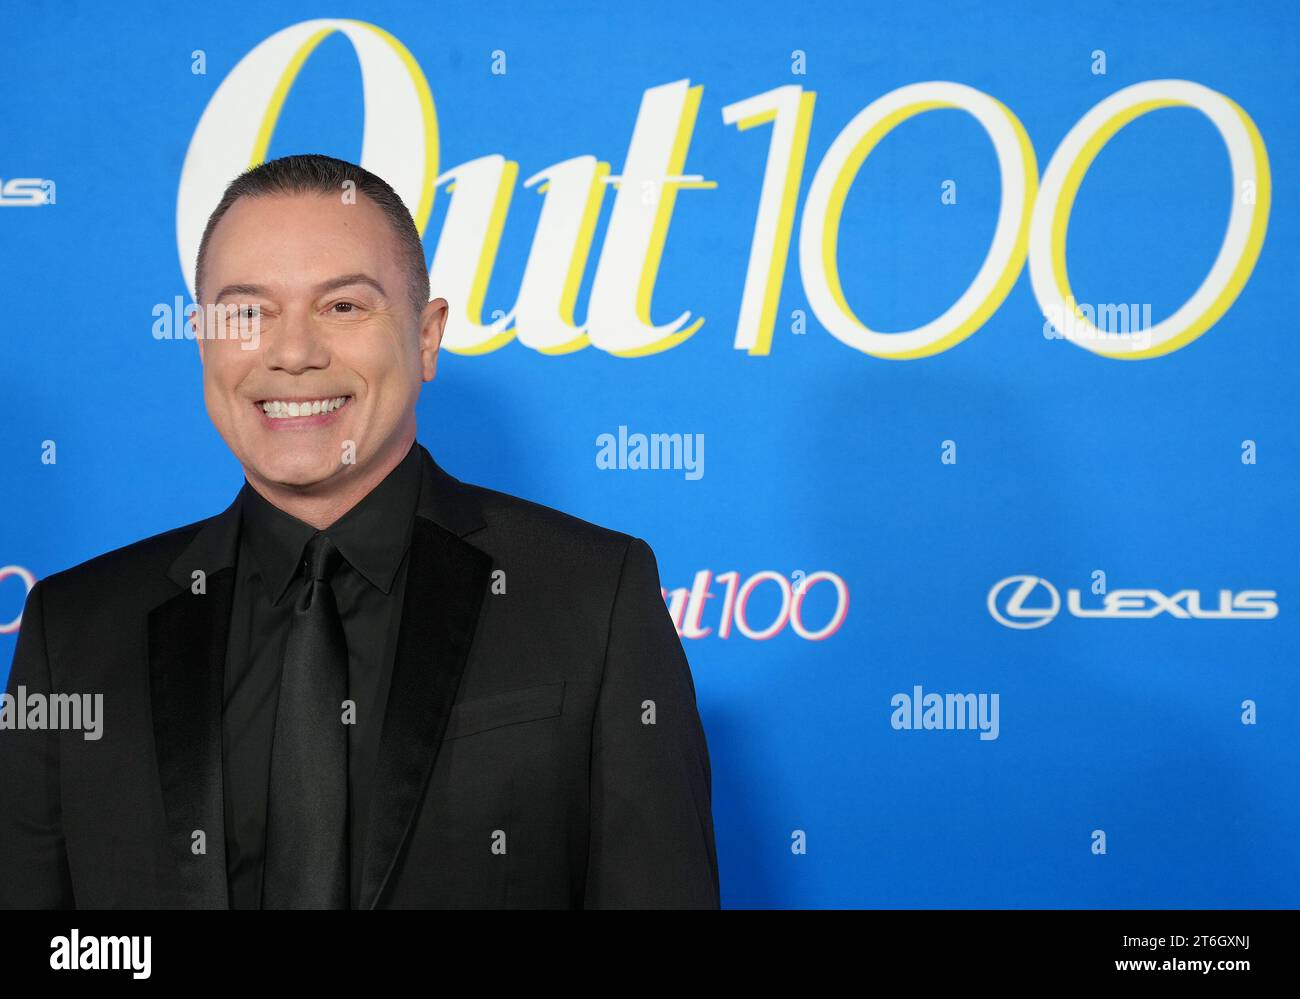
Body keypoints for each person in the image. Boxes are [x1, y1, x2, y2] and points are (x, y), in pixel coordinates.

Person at [0, 153, 720, 909]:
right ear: (201, 339)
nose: (293, 352)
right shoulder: (73, 630)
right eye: (247, 312)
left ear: (428, 334)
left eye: (343, 306)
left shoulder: (592, 598)